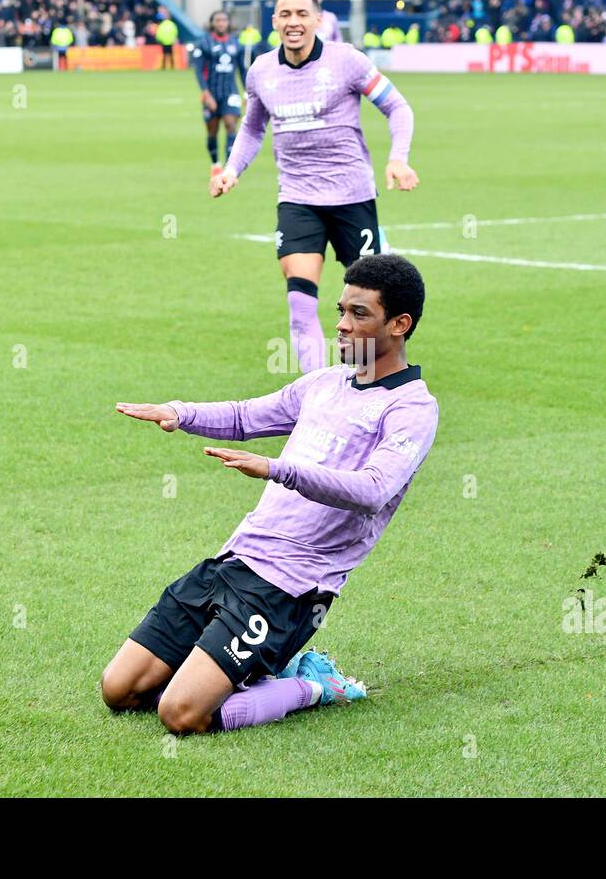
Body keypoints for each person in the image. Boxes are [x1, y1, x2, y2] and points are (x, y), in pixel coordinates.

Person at [101, 254, 438, 735]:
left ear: (400, 324)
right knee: (120, 690)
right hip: (236, 559)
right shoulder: (326, 383)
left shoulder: (412, 407)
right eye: (340, 310)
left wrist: (278, 469)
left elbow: (372, 490)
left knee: (179, 715)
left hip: (290, 588)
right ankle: (240, 670)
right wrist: (178, 412)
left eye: (358, 314)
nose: (341, 326)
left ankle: (313, 685)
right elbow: (245, 417)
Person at [210, 0, 418, 374]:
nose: (293, 22)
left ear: (317, 20)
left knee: (373, 300)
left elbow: (397, 106)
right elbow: (253, 129)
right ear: (274, 22)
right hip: (298, 197)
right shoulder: (261, 71)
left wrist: (398, 159)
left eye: (302, 14)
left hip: (351, 195)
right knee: (300, 299)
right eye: (285, 14)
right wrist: (231, 170)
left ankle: (380, 378)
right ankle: (315, 388)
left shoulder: (347, 61)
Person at [191, 10, 244, 175]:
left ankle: (230, 167)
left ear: (228, 23)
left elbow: (243, 71)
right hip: (211, 93)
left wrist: (248, 93)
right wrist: (206, 94)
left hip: (231, 92)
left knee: (231, 125)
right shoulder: (204, 44)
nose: (221, 23)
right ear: (212, 23)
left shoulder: (237, 44)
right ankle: (215, 163)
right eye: (218, 20)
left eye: (224, 20)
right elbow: (199, 72)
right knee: (212, 131)